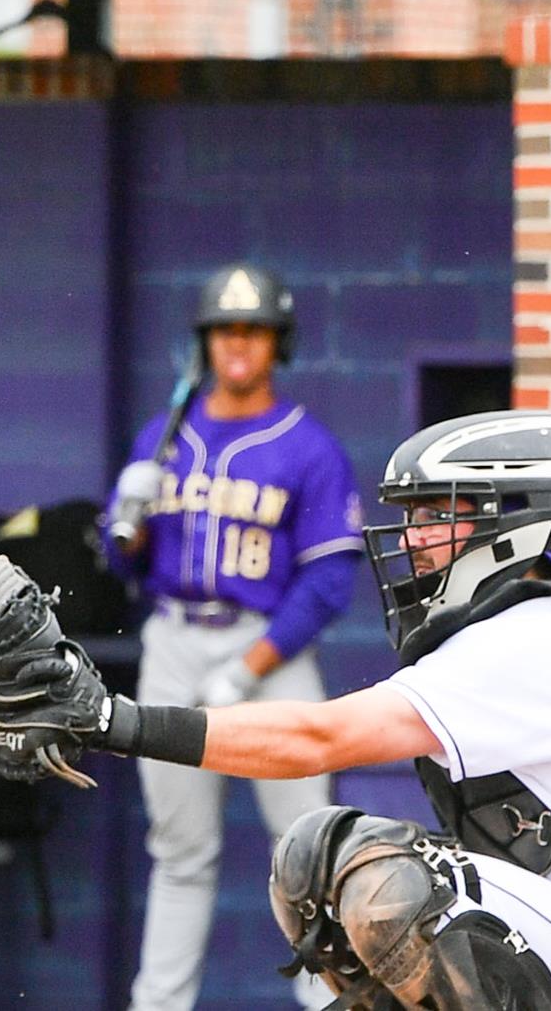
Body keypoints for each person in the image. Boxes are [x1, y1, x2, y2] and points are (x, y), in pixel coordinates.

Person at [0, 410, 551, 1008]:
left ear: (510, 523)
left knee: (387, 874)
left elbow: (319, 736)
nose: (412, 537)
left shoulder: (527, 638)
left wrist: (111, 719)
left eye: (437, 515)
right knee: (313, 857)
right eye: (414, 516)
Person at [102, 264, 359, 1011]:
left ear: (278, 343)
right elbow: (124, 563)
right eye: (224, 329)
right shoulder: (164, 435)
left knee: (310, 855)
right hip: (175, 641)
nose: (237, 343)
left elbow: (328, 584)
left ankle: (333, 1004)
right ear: (205, 342)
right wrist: (127, 518)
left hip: (268, 653)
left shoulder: (308, 445)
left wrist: (248, 670)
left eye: (253, 329)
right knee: (179, 854)